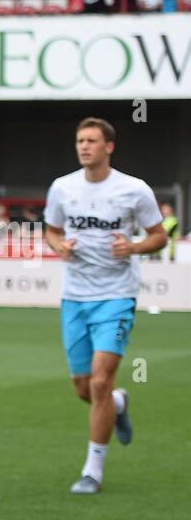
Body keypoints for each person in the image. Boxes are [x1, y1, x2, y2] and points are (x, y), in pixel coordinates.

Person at [43, 117, 166, 494]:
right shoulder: (62, 188)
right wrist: (58, 246)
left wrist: (133, 247)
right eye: (80, 140)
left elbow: (159, 236)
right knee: (84, 388)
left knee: (98, 380)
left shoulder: (134, 190)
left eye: (92, 140)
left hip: (116, 296)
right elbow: (52, 230)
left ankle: (92, 471)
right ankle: (118, 403)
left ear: (109, 146)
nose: (84, 146)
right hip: (75, 297)